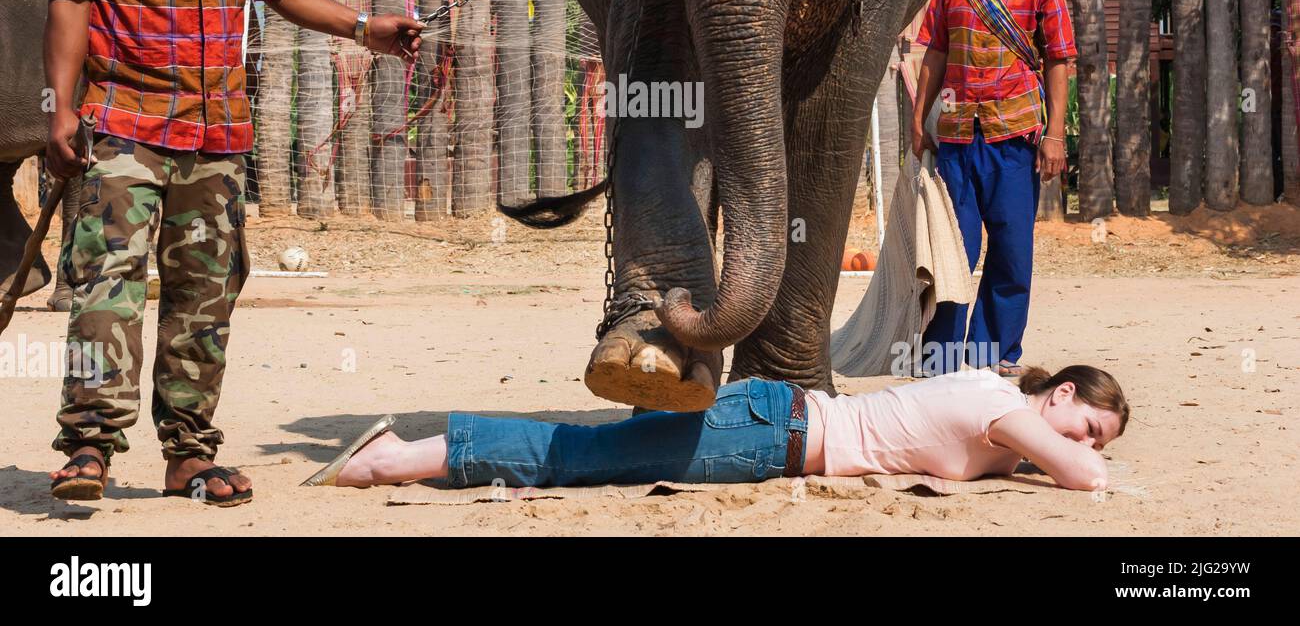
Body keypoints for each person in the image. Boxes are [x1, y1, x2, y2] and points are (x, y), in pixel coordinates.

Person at [40, 0, 425, 505]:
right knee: (104, 291)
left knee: (205, 298)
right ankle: (88, 447)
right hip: (124, 123)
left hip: (217, 137)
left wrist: (365, 29)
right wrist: (60, 110)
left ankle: (189, 455)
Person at [301, 365, 1128, 493]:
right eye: (1089, 424)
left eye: (1097, 438)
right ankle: (396, 458)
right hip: (769, 436)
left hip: (772, 424)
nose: (1086, 444)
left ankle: (412, 455)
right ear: (1056, 395)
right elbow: (1082, 479)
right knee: (584, 457)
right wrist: (1076, 462)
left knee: (599, 456)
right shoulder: (1003, 407)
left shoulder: (1004, 418)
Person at [910, 0, 1075, 378]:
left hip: (1016, 138)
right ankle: (939, 358)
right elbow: (934, 54)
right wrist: (919, 120)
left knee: (1011, 250)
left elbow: (1060, 61)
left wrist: (1055, 135)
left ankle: (993, 357)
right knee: (953, 249)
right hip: (958, 138)